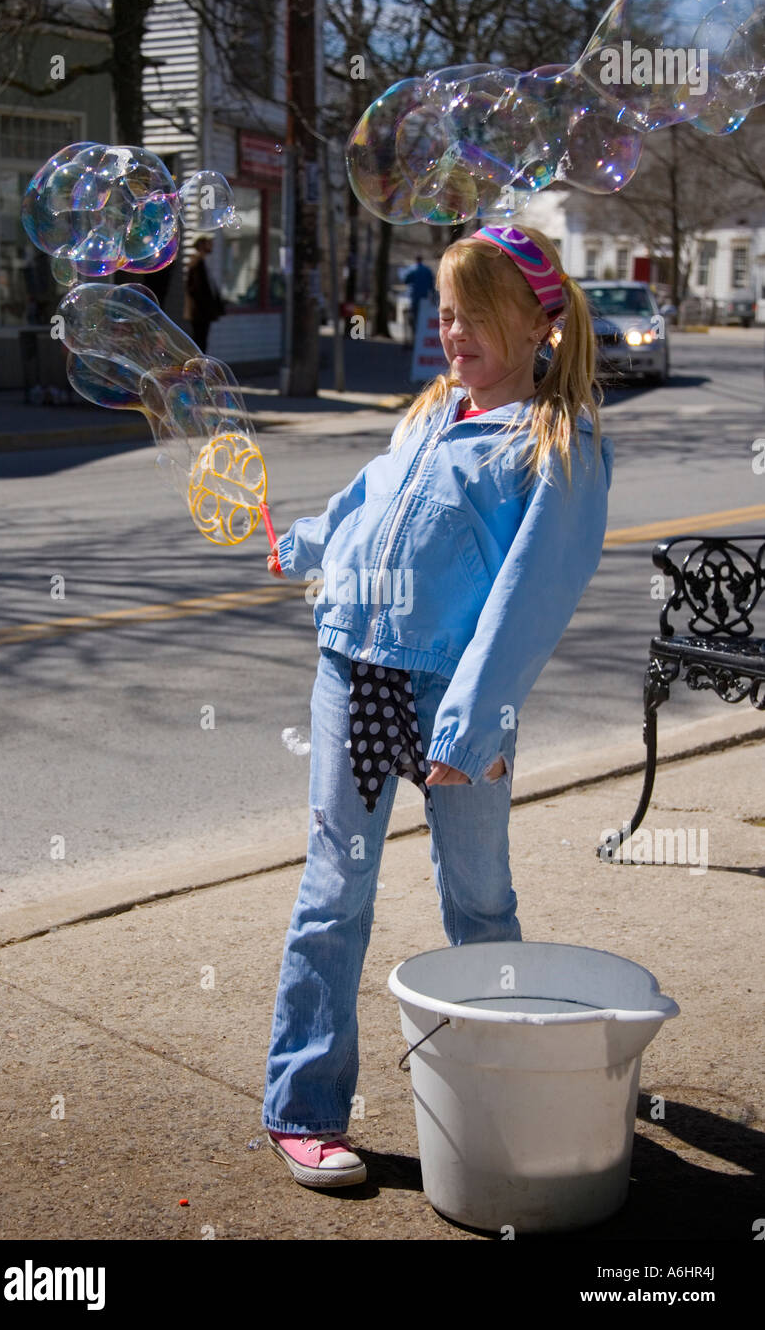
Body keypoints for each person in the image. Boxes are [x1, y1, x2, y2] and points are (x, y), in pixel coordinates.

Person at [261, 223, 614, 1188]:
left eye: (474, 318)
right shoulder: (430, 411)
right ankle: (303, 1107)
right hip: (354, 670)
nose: (451, 334)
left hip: (457, 695)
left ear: (536, 325)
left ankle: (499, 1102)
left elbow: (528, 599)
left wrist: (468, 722)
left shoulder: (555, 440)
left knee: (479, 903)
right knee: (333, 897)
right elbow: (368, 501)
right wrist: (305, 541)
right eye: (445, 314)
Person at [183, 235, 225, 351]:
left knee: (202, 339)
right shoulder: (197, 263)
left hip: (203, 311)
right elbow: (195, 289)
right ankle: (198, 366)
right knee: (199, 340)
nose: (211, 246)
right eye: (208, 243)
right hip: (200, 311)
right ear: (201, 245)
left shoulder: (202, 262)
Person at [403, 253, 435, 347]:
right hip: (424, 298)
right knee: (423, 318)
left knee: (413, 318)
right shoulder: (427, 270)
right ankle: (422, 337)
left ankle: (414, 337)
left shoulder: (412, 269)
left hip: (414, 297)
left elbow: (406, 280)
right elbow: (431, 284)